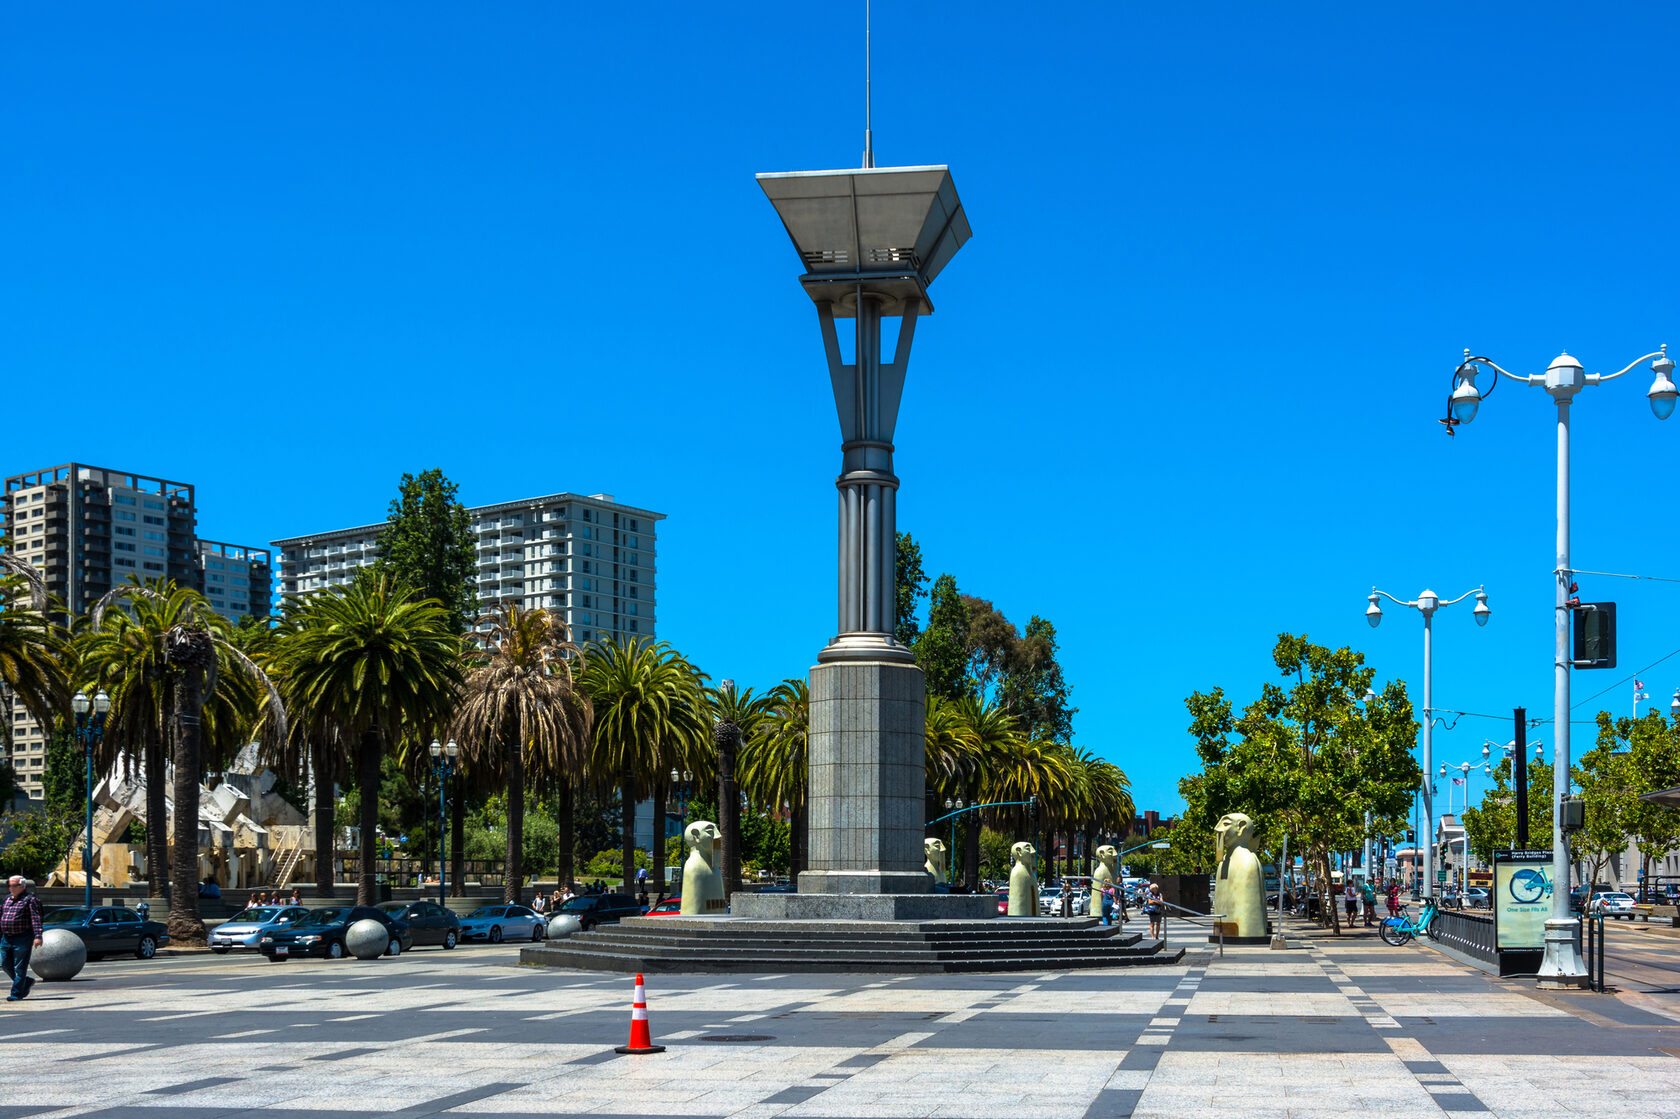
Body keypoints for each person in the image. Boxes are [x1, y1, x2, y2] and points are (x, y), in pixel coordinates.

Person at [2, 876, 44, 1002]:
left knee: (19, 967)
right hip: (6, 937)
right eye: (9, 885)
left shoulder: (30, 900)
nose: (11, 888)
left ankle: (16, 993)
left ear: (22, 886)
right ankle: (26, 981)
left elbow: (36, 919)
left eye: (13, 885)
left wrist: (38, 936)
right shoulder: (7, 899)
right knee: (4, 964)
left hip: (22, 937)